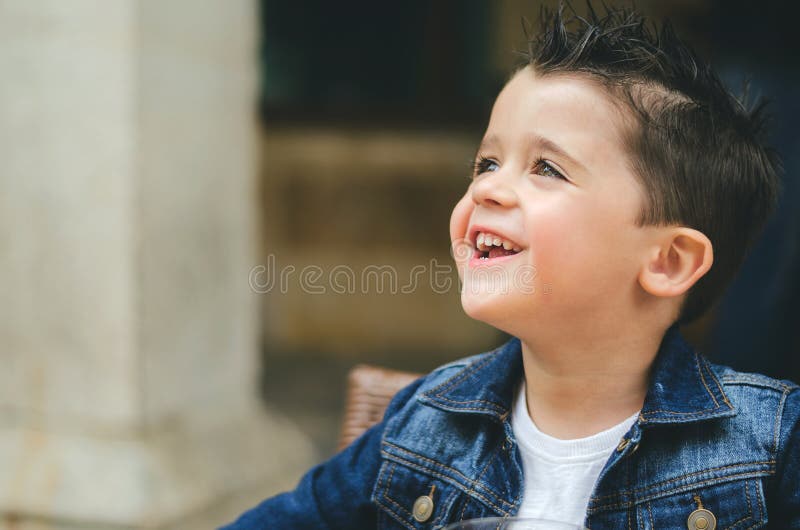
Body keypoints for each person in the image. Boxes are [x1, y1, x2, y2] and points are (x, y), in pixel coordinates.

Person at [222, 4, 799, 528]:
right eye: (487, 162)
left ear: (668, 261)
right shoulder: (423, 423)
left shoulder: (771, 445)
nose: (490, 189)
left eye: (547, 168)